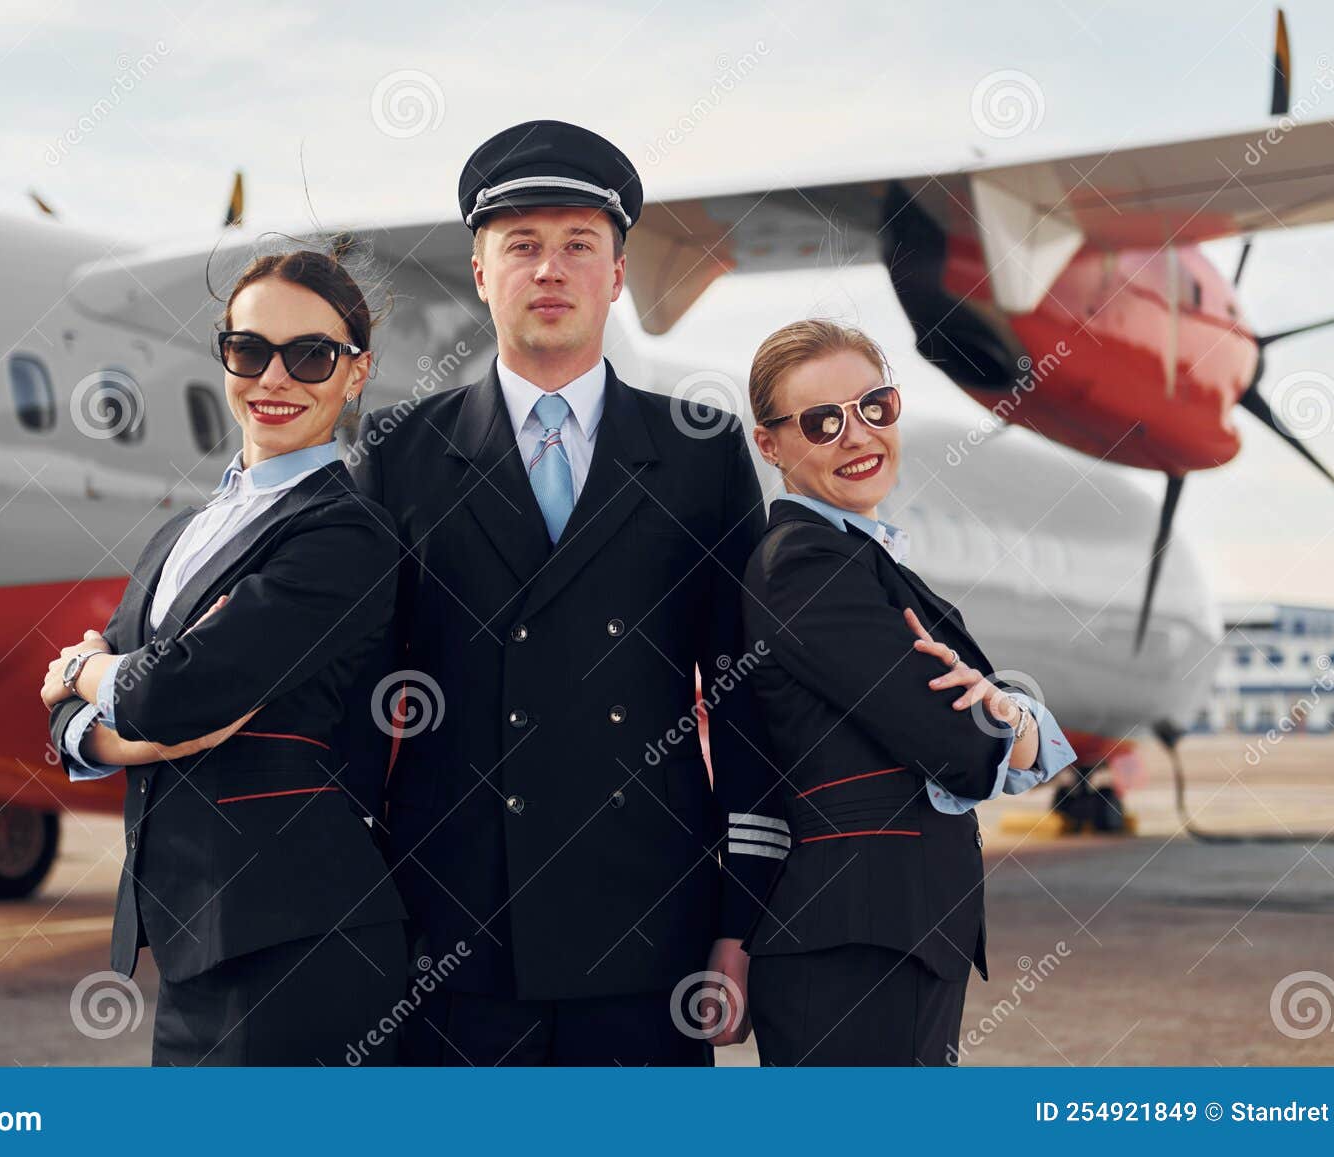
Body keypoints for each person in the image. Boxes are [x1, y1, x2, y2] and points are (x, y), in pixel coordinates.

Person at [349, 120, 779, 1065]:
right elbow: (351, 697)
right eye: (523, 247)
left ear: (617, 275)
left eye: (578, 246)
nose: (551, 270)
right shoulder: (399, 453)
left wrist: (742, 922)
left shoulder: (701, 451)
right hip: (452, 939)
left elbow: (746, 698)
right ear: (478, 272)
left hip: (647, 935)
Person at [39, 249, 409, 1066]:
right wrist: (108, 709)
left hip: (298, 946)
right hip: (192, 945)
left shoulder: (343, 532)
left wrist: (84, 674)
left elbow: (167, 692)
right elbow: (98, 720)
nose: (274, 377)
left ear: (356, 374)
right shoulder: (182, 533)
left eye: (311, 354)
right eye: (249, 351)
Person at [739, 319, 1077, 1066]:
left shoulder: (855, 558)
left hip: (894, 938)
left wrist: (1008, 716)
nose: (857, 436)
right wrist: (1019, 721)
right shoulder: (806, 564)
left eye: (875, 406)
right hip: (857, 948)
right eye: (822, 422)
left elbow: (978, 728)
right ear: (771, 446)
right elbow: (959, 743)